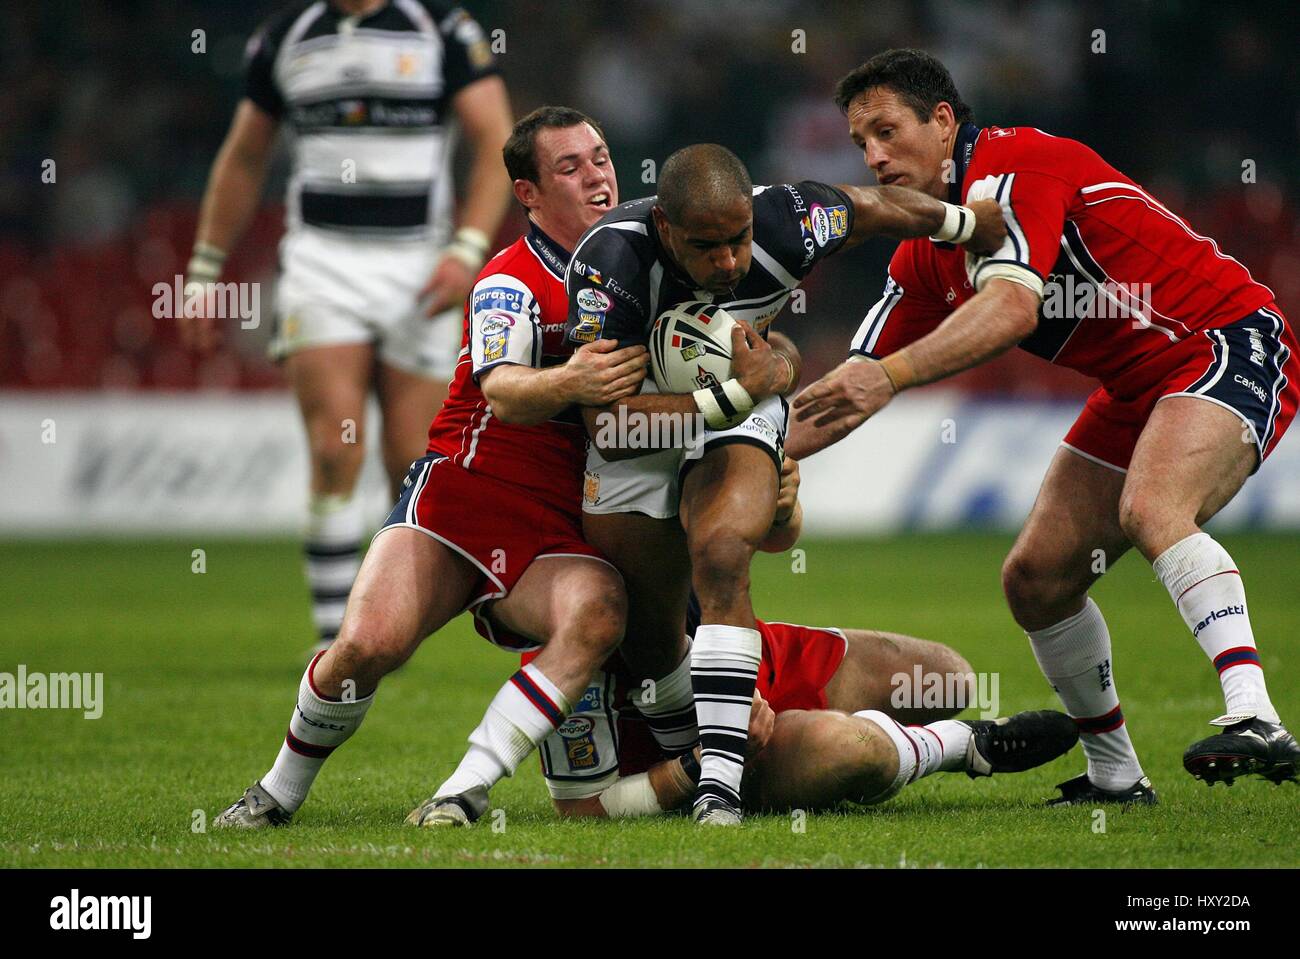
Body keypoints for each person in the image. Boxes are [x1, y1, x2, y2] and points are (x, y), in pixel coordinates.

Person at [789, 48, 1299, 802]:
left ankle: (1257, 716)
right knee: (1036, 579)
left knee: (1154, 507)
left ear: (942, 120)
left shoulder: (1015, 167)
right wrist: (747, 450)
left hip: (1225, 337)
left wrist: (893, 375)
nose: (873, 155)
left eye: (888, 131)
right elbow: (846, 388)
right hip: (1136, 385)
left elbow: (1012, 307)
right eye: (861, 142)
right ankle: (1116, 775)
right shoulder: (925, 258)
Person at [214, 106, 648, 829]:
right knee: (364, 646)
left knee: (598, 609)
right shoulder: (507, 280)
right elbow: (503, 390)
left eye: (600, 157)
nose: (596, 176)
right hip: (459, 496)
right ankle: (277, 790)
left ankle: (463, 791)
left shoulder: (643, 262)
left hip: (553, 527)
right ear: (529, 194)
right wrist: (573, 380)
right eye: (569, 167)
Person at [563, 145, 1007, 823]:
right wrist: (744, 386)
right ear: (666, 229)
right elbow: (611, 429)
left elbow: (876, 206)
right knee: (668, 632)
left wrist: (963, 224)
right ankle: (723, 767)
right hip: (644, 431)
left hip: (733, 417)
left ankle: (724, 754)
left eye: (737, 240)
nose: (729, 263)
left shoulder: (789, 219)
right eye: (706, 247)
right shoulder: (611, 264)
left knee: (941, 673)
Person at [181, 0, 513, 652]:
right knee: (335, 448)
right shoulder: (286, 36)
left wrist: (468, 249)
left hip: (420, 264)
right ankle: (339, 636)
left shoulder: (440, 28)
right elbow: (245, 155)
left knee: (413, 463)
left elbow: (494, 138)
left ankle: (402, 615)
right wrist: (203, 266)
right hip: (322, 264)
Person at [529, 461, 1078, 818]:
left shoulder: (664, 450)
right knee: (850, 749)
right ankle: (962, 746)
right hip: (696, 745)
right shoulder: (577, 620)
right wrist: (700, 763)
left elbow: (776, 536)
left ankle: (918, 729)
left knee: (946, 679)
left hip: (749, 652)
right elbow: (582, 812)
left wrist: (783, 500)